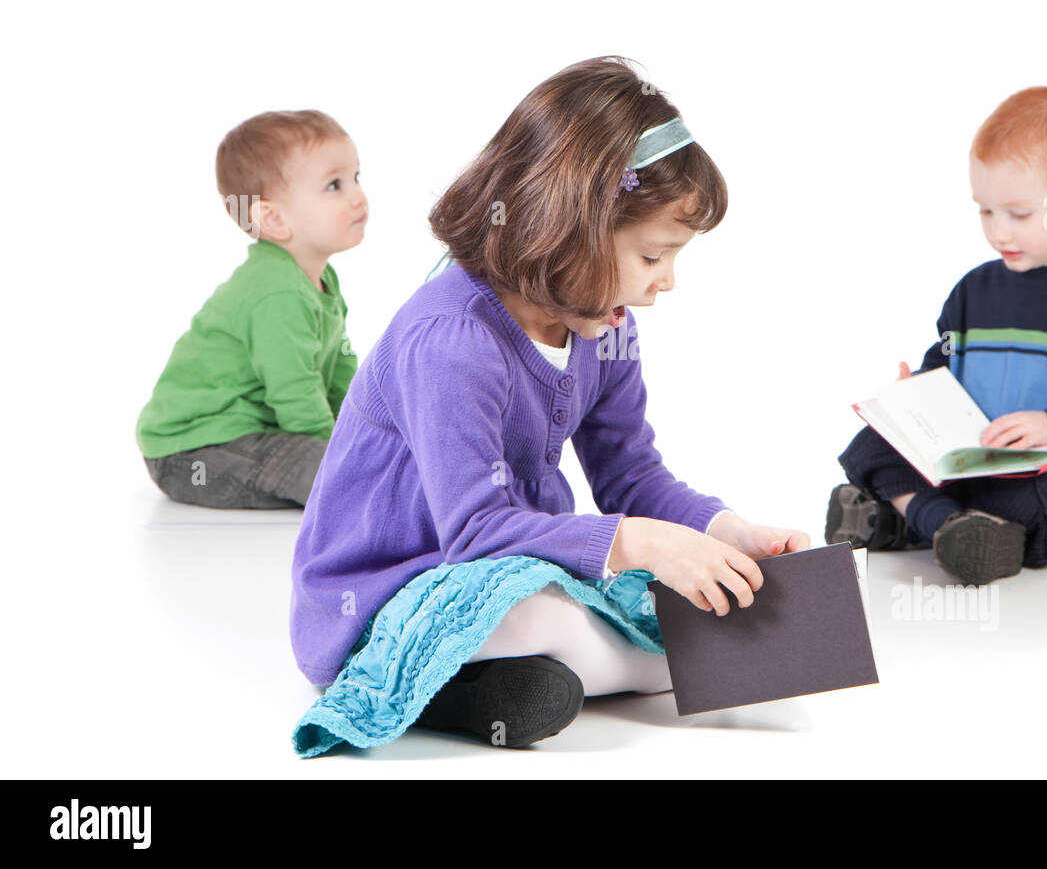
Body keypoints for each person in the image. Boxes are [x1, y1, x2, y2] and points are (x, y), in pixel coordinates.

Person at [290, 57, 810, 750]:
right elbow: (475, 530)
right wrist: (641, 545)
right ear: (569, 227)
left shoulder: (604, 324)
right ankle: (650, 664)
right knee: (546, 618)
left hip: (509, 565)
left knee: (596, 600)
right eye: (654, 256)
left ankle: (501, 690)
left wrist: (725, 530)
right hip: (386, 594)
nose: (668, 282)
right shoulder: (450, 339)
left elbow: (633, 478)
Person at [828, 86, 1047, 585]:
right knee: (871, 445)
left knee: (1034, 503)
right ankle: (947, 525)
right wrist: (917, 393)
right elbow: (947, 361)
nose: (998, 233)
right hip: (978, 462)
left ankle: (911, 520)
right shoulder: (974, 291)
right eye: (985, 211)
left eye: (1019, 213)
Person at [137, 110, 366, 508]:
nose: (357, 196)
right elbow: (295, 392)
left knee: (363, 459)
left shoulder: (320, 278)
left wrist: (361, 428)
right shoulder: (277, 292)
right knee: (333, 475)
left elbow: (337, 369)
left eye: (356, 178)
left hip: (256, 432)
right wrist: (339, 452)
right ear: (274, 219)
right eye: (334, 185)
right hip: (193, 448)